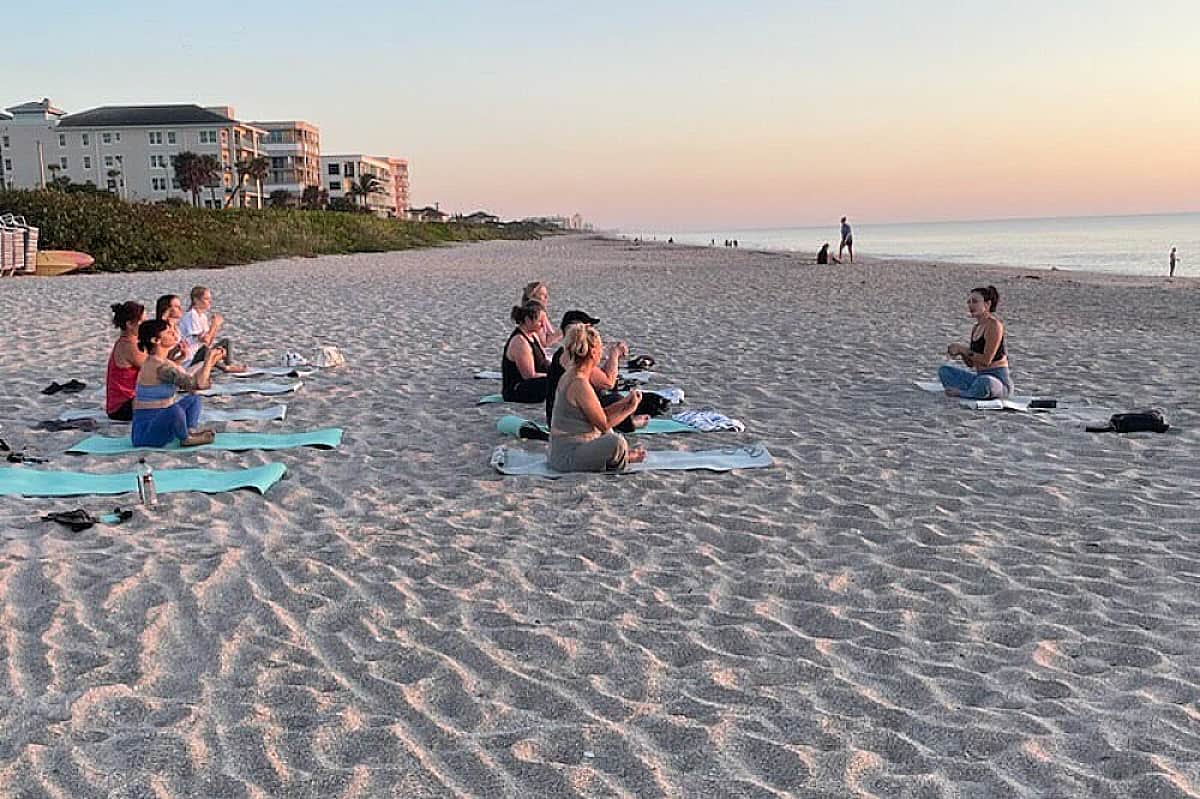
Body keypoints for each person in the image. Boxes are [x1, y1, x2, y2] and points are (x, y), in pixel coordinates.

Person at [549, 324, 646, 472]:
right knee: (616, 442)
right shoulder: (579, 383)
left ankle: (622, 455)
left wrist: (624, 403)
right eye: (600, 348)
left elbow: (599, 414)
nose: (602, 353)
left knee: (610, 435)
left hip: (565, 447)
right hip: (568, 455)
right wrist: (629, 408)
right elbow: (604, 424)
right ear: (593, 352)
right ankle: (625, 457)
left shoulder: (573, 374)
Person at [545, 310, 648, 432]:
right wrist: (614, 355)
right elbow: (608, 382)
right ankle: (630, 423)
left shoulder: (569, 355)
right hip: (566, 422)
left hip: (567, 414)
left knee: (627, 399)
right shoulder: (570, 360)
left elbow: (600, 376)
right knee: (616, 400)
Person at [131, 319, 223, 447]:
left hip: (160, 421)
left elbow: (192, 384)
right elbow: (197, 384)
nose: (174, 334)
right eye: (169, 333)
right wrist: (208, 361)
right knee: (174, 410)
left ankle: (189, 432)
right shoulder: (159, 367)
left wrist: (182, 359)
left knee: (194, 399)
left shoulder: (162, 362)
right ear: (155, 340)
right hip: (145, 434)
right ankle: (186, 439)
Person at [938, 286, 1013, 399]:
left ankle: (963, 393)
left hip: (998, 382)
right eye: (969, 302)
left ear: (987, 304)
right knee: (944, 371)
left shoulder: (994, 326)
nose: (971, 305)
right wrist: (959, 353)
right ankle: (972, 392)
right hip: (979, 377)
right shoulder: (976, 328)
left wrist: (963, 349)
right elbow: (971, 363)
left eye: (975, 302)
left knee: (985, 382)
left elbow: (986, 360)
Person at [179, 285, 245, 372]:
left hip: (201, 351)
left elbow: (209, 341)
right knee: (206, 350)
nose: (209, 301)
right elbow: (205, 341)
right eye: (206, 299)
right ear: (196, 300)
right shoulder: (191, 315)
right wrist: (214, 325)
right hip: (190, 358)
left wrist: (215, 327)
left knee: (227, 342)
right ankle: (226, 368)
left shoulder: (202, 316)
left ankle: (229, 364)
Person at [502, 301, 552, 403]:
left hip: (537, 380)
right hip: (518, 389)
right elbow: (529, 375)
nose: (543, 325)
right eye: (540, 321)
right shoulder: (520, 342)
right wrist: (554, 375)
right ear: (527, 320)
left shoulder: (533, 335)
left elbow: (544, 360)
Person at [105, 301, 147, 421]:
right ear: (129, 324)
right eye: (142, 322)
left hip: (127, 401)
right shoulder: (128, 346)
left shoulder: (129, 342)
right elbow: (154, 368)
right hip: (121, 407)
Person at [521, 281, 562, 347]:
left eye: (546, 295)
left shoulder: (524, 311)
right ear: (533, 296)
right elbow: (544, 342)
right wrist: (566, 329)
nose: (546, 297)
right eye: (543, 295)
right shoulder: (538, 313)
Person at [155, 293, 193, 366]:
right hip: (177, 366)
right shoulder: (163, 331)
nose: (180, 309)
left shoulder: (176, 328)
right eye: (176, 307)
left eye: (179, 306)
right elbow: (163, 359)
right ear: (167, 309)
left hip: (183, 362)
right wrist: (176, 350)